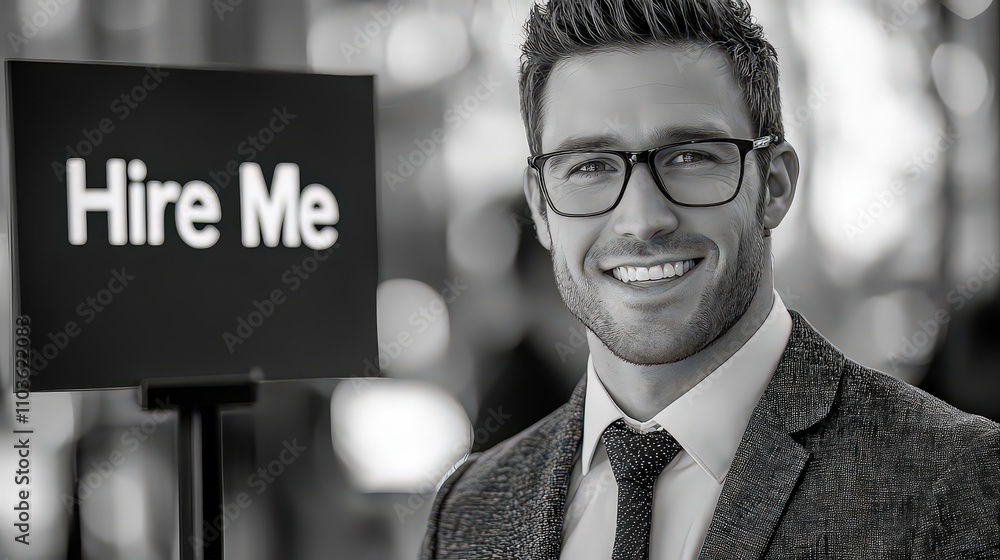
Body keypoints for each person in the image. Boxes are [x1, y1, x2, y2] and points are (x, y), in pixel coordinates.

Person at [421, 0, 1000, 558]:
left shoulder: (960, 482)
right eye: (590, 166)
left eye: (691, 156)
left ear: (773, 185)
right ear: (542, 208)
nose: (643, 220)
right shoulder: (468, 514)